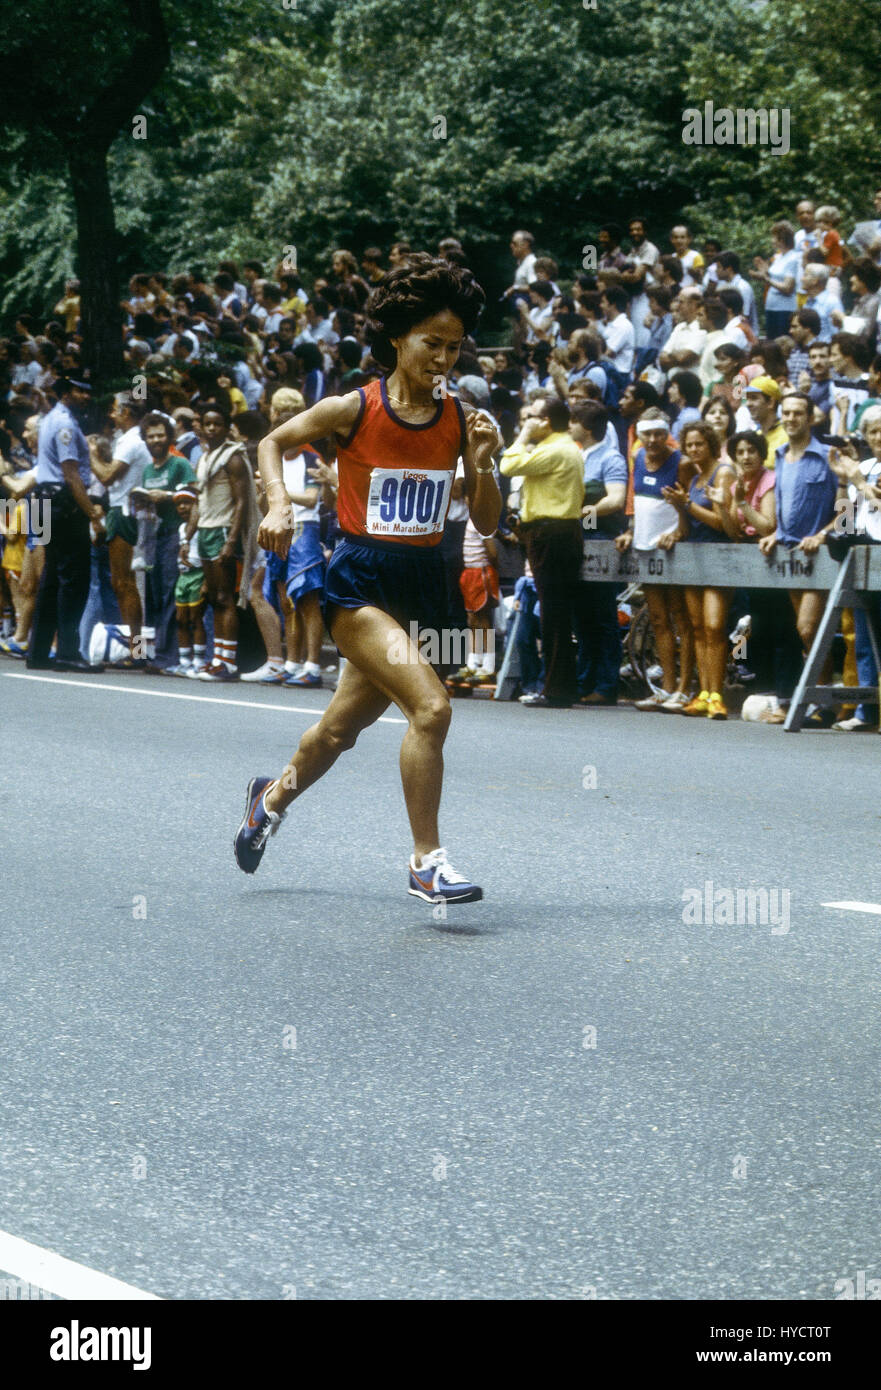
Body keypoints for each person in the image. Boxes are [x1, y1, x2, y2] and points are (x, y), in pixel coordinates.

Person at [236, 254, 501, 904]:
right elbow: (272, 442)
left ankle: (266, 804)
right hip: (358, 584)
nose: (443, 356)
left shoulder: (462, 419)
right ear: (396, 340)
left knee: (336, 732)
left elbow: (489, 523)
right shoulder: (352, 408)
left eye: (453, 346)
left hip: (424, 587)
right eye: (429, 343)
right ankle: (425, 862)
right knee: (431, 710)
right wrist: (275, 504)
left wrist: (485, 464)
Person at [759, 394, 845, 725]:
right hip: (791, 554)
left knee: (808, 627)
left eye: (798, 413)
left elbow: (846, 510)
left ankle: (824, 697)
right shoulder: (779, 454)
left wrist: (823, 535)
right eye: (787, 413)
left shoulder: (828, 455)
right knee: (809, 633)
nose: (792, 418)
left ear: (810, 418)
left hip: (820, 554)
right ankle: (820, 701)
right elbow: (785, 505)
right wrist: (776, 533)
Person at [499, 395, 585, 708]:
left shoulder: (557, 449)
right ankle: (557, 686)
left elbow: (508, 464)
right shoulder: (562, 447)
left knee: (554, 614)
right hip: (553, 533)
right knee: (554, 613)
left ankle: (557, 689)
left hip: (552, 534)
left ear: (546, 421)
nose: (528, 423)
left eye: (533, 417)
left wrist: (522, 435)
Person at [615, 411, 695, 711]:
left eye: (658, 434)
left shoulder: (681, 463)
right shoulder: (638, 457)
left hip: (673, 549)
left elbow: (689, 505)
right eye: (646, 434)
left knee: (681, 619)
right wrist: (630, 531)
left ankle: (684, 689)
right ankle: (666, 688)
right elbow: (637, 503)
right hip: (645, 548)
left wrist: (677, 532)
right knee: (659, 619)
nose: (652, 440)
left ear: (667, 434)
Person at [27, 377, 106, 673]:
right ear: (65, 393)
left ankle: (38, 651)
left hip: (44, 500)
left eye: (87, 391)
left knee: (51, 579)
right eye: (78, 391)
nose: (85, 396)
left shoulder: (49, 419)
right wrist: (93, 517)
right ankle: (69, 653)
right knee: (73, 580)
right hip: (62, 502)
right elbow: (71, 474)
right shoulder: (66, 425)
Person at [662, 421, 736, 719]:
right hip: (693, 557)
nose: (693, 450)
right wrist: (678, 517)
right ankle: (704, 693)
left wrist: (688, 504)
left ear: (711, 444)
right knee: (697, 628)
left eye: (699, 444)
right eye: (689, 445)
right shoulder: (693, 479)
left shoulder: (724, 472)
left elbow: (723, 523)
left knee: (715, 626)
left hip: (719, 557)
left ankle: (717, 694)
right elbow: (687, 526)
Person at [191, 404, 259, 680]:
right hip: (206, 530)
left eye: (217, 424)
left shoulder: (233, 457)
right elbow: (199, 500)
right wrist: (188, 537)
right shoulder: (206, 457)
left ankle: (227, 661)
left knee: (225, 597)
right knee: (213, 598)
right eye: (207, 424)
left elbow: (242, 500)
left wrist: (232, 540)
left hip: (222, 530)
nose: (211, 429)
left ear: (227, 427)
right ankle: (218, 657)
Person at [569, 400, 627, 704]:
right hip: (578, 539)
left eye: (573, 421)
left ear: (587, 427)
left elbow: (616, 500)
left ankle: (606, 685)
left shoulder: (610, 459)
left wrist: (582, 513)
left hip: (601, 537)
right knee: (582, 617)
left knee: (603, 615)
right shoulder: (576, 454)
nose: (569, 426)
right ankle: (584, 681)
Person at [129, 412, 198, 669]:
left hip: (175, 533)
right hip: (153, 535)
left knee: (171, 592)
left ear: (169, 437)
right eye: (151, 436)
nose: (156, 440)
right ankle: (159, 650)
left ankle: (171, 655)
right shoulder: (148, 469)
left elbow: (192, 494)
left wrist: (167, 496)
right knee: (155, 593)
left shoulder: (179, 464)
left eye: (160, 435)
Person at [88, 393, 152, 664]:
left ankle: (137, 650)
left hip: (126, 511)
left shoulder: (132, 442)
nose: (111, 415)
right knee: (120, 582)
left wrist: (89, 453)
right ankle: (133, 646)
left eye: (115, 410)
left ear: (126, 412)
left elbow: (105, 476)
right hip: (120, 508)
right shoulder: (126, 439)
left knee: (125, 583)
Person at [828, 408, 881, 729]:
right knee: (863, 640)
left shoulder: (863, 473)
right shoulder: (865, 467)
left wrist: (859, 482)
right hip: (864, 560)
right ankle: (866, 712)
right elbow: (845, 520)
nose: (879, 437)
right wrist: (842, 482)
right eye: (873, 431)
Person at [166, 485, 207, 677]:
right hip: (183, 576)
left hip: (197, 573)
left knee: (195, 618)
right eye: (179, 504)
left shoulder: (203, 526)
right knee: (181, 619)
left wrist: (206, 579)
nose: (182, 507)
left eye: (187, 503)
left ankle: (199, 661)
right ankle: (184, 661)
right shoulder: (182, 528)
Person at [752, 221, 800, 338]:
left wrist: (766, 279)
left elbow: (788, 288)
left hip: (784, 309)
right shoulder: (778, 257)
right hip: (771, 307)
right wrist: (763, 270)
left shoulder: (792, 258)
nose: (772, 240)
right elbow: (772, 277)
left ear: (781, 239)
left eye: (774, 237)